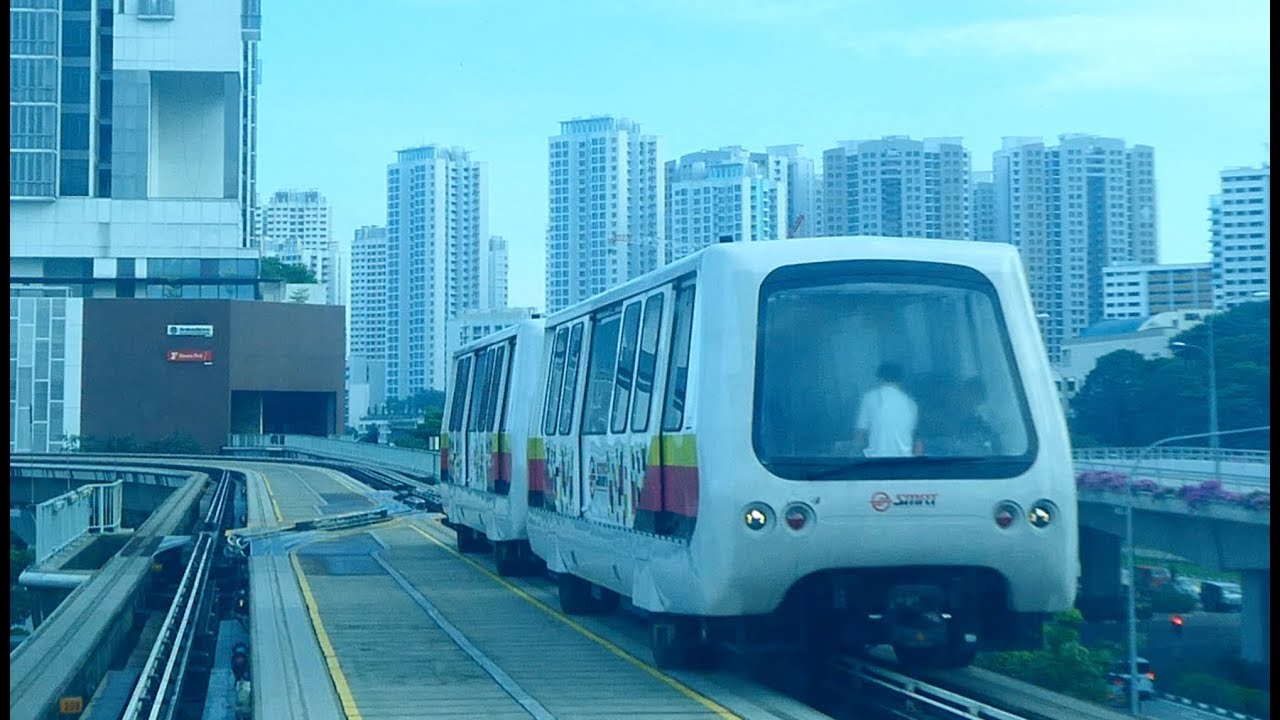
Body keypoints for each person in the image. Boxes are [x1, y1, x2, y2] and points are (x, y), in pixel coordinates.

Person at [854, 362, 922, 457]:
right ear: (901, 379)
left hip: (876, 462)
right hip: (905, 462)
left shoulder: (869, 398)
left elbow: (860, 438)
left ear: (879, 378)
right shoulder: (911, 403)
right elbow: (918, 443)